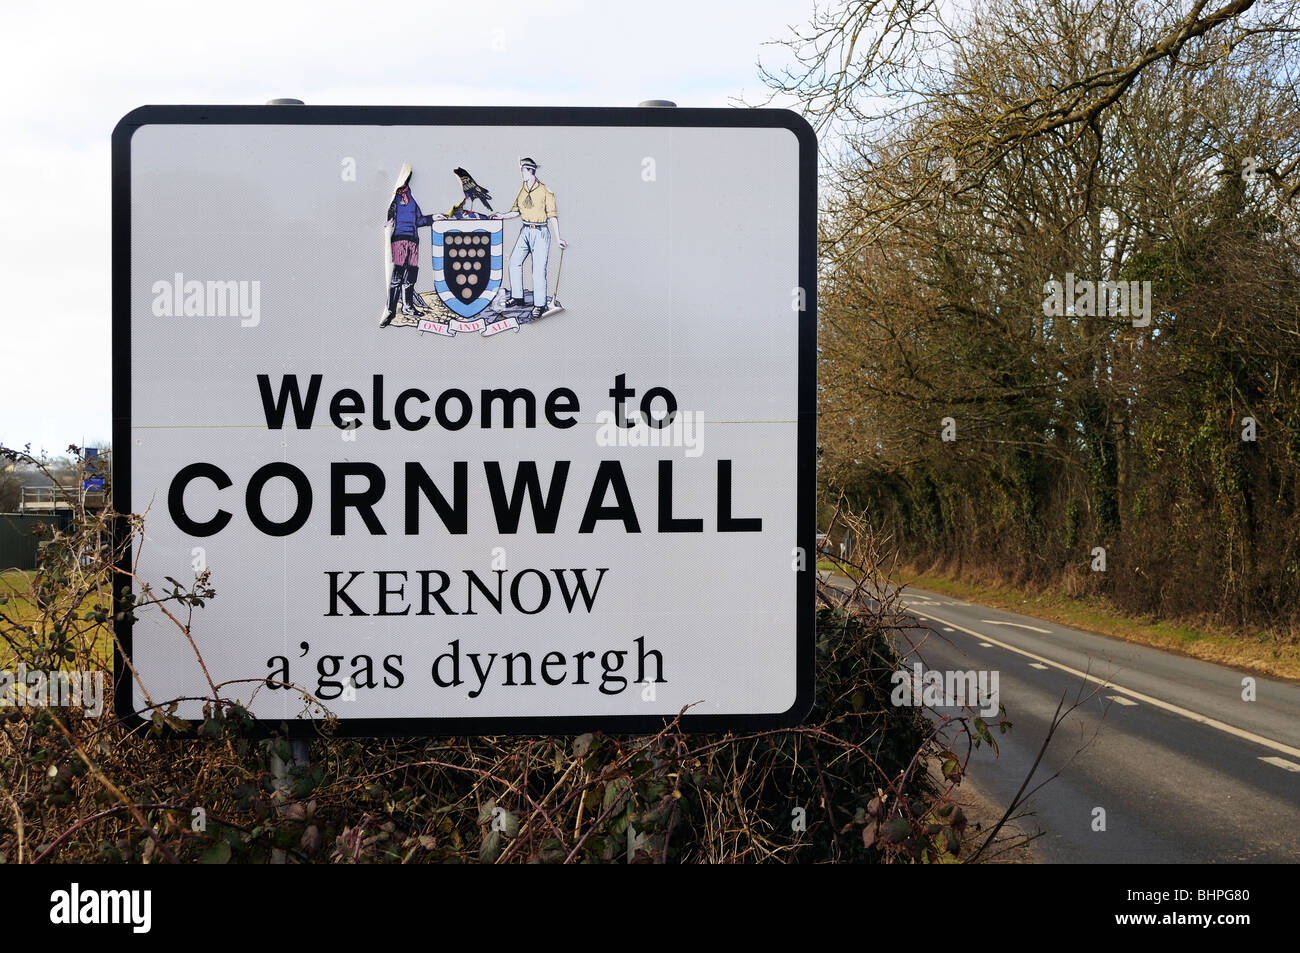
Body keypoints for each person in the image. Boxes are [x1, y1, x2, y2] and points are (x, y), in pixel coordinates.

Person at [492, 157, 568, 319]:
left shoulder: (545, 191)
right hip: (525, 230)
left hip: (540, 232)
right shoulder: (523, 189)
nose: (521, 173)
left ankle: (539, 305)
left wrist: (558, 238)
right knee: (514, 262)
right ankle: (518, 297)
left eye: (522, 170)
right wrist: (502, 216)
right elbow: (516, 211)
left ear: (529, 171)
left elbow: (552, 216)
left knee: (538, 270)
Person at [381, 164, 433, 327]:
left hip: (413, 241)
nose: (406, 184)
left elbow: (419, 221)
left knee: (410, 276)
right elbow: (388, 223)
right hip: (399, 241)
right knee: (397, 277)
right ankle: (391, 310)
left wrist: (434, 218)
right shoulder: (394, 200)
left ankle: (408, 307)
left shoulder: (412, 201)